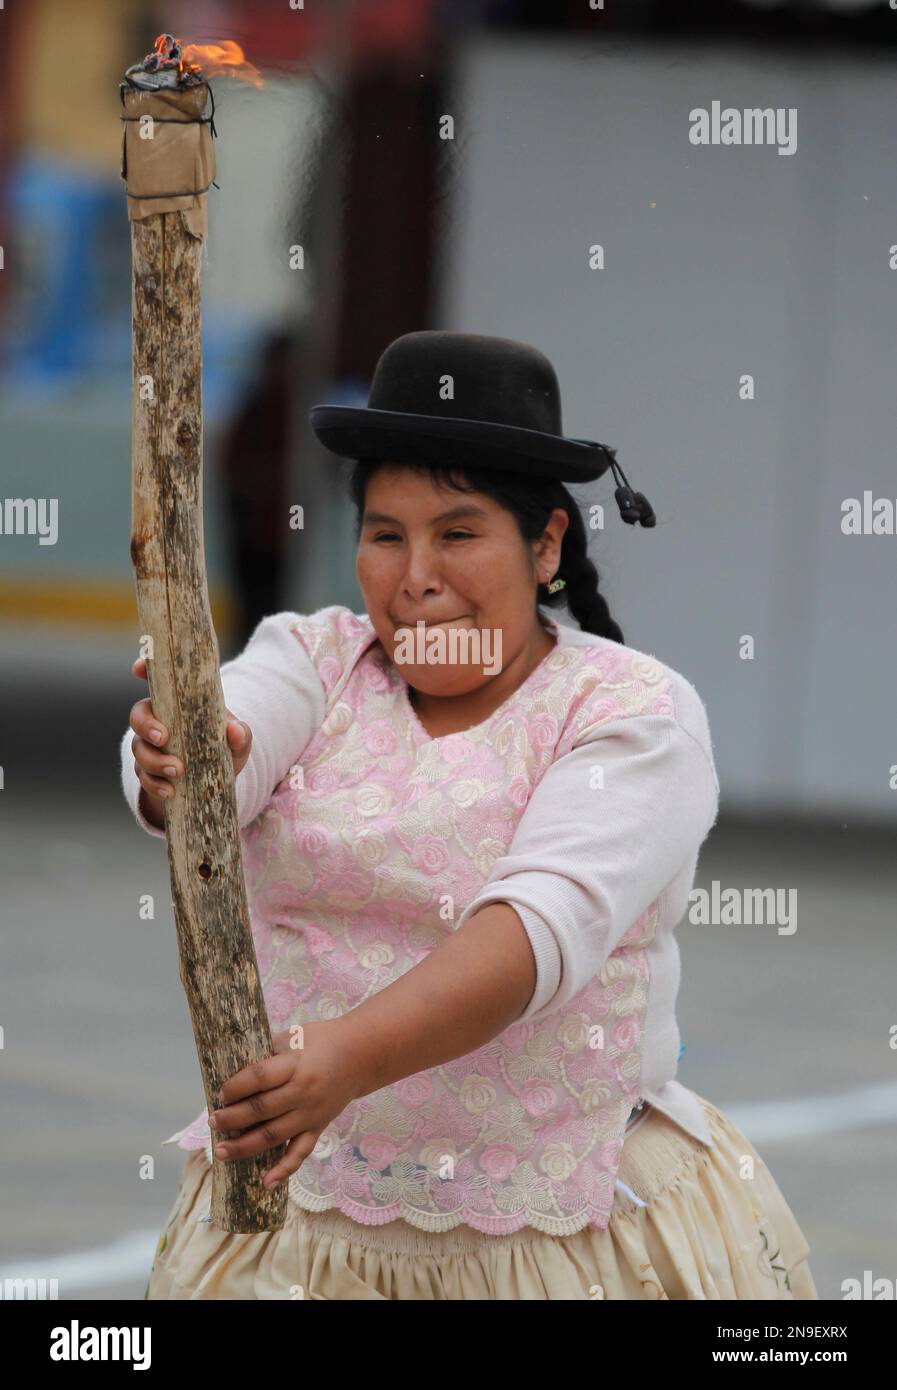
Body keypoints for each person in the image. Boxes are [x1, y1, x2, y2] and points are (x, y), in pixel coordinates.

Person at [120, 331, 817, 1300]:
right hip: (303, 1229)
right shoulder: (312, 659)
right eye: (385, 532)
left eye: (457, 533)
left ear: (546, 545)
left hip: (562, 1234)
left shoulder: (633, 715)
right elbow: (220, 744)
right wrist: (184, 754)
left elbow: (536, 929)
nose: (415, 577)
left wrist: (348, 1056)